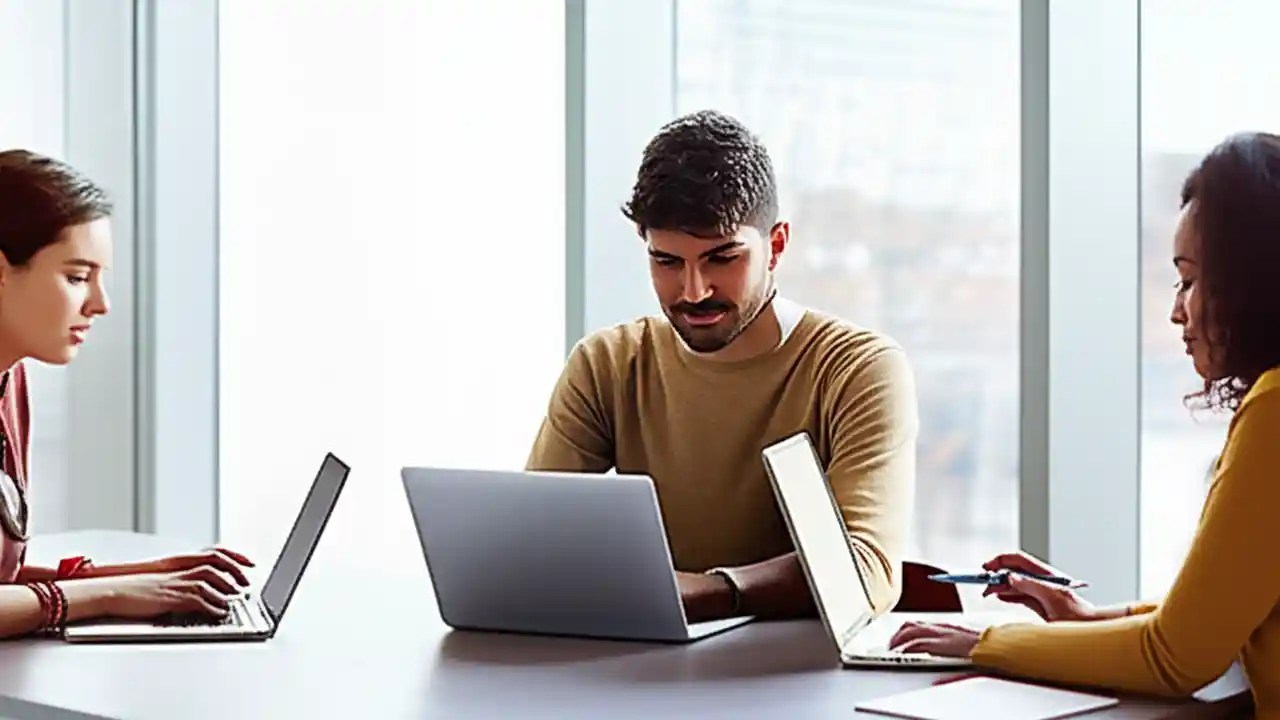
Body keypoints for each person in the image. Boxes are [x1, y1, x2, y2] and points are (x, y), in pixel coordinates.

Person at [889, 132, 1280, 713]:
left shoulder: (1274, 410)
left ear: (1249, 280)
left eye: (1192, 279)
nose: (1177, 309)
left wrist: (986, 645)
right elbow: (1214, 616)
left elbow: (1175, 657)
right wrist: (1091, 622)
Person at [526, 110, 918, 622]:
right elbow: (532, 546)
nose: (694, 291)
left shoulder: (857, 370)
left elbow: (867, 573)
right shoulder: (607, 364)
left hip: (794, 686)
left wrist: (707, 592)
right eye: (667, 262)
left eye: (722, 258)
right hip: (642, 672)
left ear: (775, 245)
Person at [0, 149, 253, 639]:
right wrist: (106, 596)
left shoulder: (10, 382)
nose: (101, 304)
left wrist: (144, 578)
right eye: (77, 277)